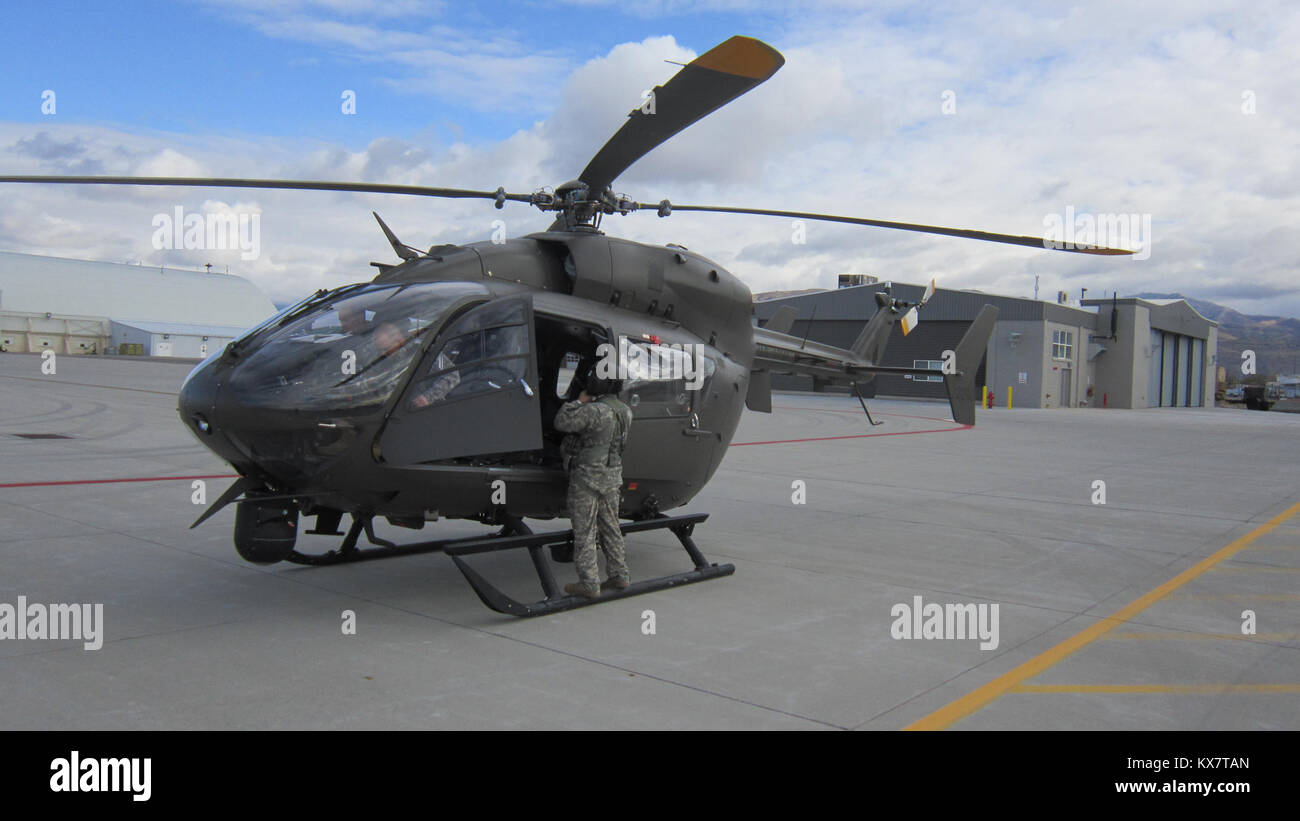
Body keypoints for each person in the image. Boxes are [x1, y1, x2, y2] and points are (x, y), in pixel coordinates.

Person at [553, 368, 633, 598]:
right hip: (612, 476)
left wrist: (578, 401)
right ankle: (619, 574)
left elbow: (562, 422)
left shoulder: (593, 411)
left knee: (585, 530)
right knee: (611, 526)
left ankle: (589, 583)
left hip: (587, 477)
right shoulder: (625, 411)